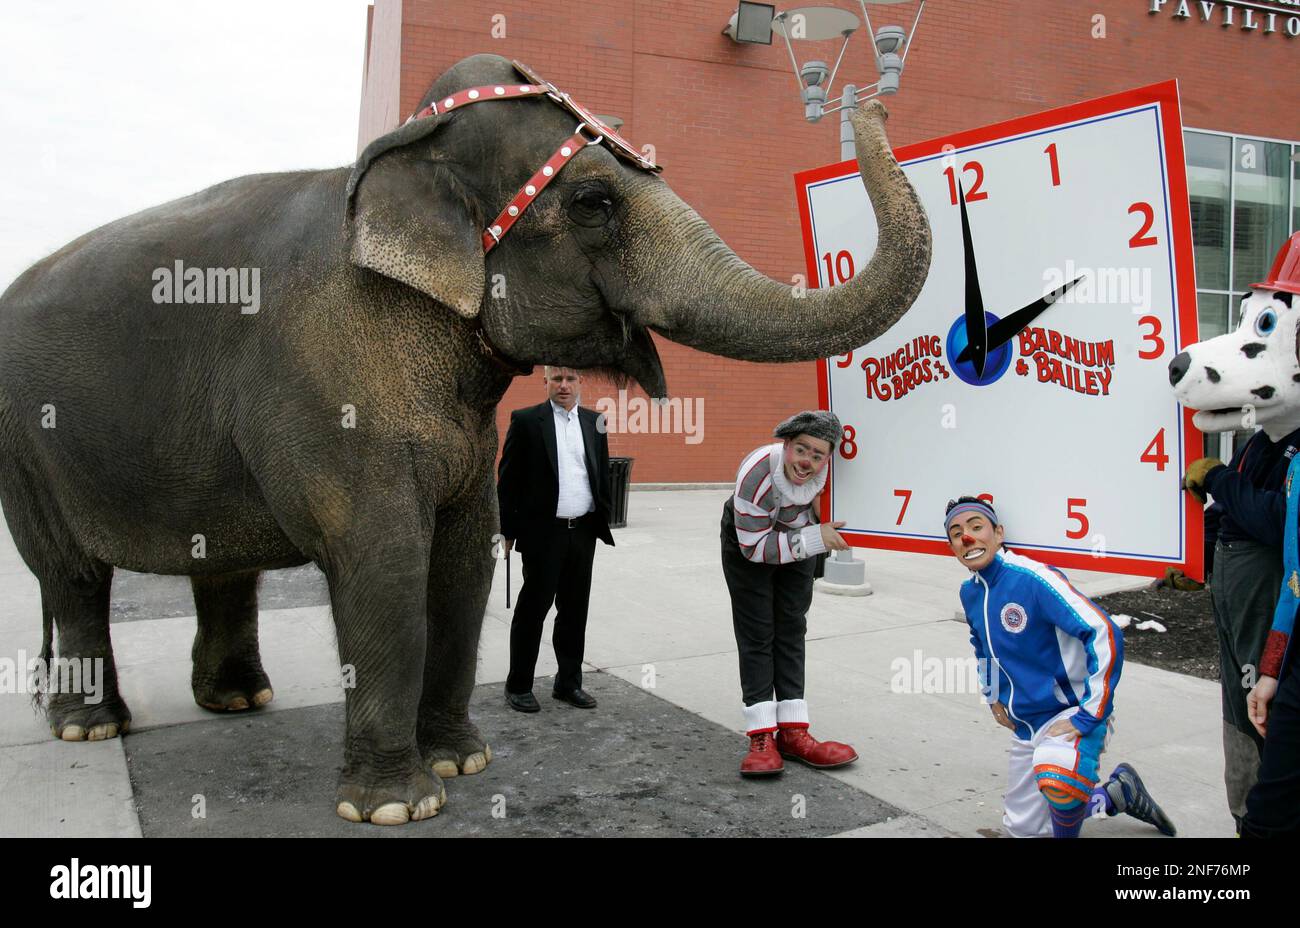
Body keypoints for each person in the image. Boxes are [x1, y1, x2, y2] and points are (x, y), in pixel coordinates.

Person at [946, 496, 1176, 838]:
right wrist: (993, 696)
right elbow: (981, 647)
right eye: (956, 532)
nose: (967, 538)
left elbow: (1103, 631)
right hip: (1027, 723)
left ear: (998, 533)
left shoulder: (1033, 579)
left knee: (1059, 776)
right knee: (1023, 831)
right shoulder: (971, 592)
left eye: (976, 527)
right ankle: (1117, 795)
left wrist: (1089, 713)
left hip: (1069, 711)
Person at [721, 410, 858, 778]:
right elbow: (755, 549)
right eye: (802, 450)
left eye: (818, 455)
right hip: (750, 540)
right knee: (757, 632)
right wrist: (816, 538)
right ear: (786, 445)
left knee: (792, 629)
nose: (807, 462)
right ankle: (762, 735)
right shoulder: (756, 476)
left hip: (802, 535)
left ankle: (794, 732)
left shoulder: (833, 475)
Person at [497, 367, 614, 712]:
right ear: (545, 382)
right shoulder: (527, 421)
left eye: (571, 378)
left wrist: (600, 516)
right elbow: (508, 481)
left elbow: (600, 472)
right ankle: (518, 685)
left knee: (575, 612)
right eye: (557, 378)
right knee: (533, 610)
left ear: (581, 382)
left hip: (583, 534)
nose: (564, 385)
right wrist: (506, 531)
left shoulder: (596, 422)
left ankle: (568, 683)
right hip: (542, 534)